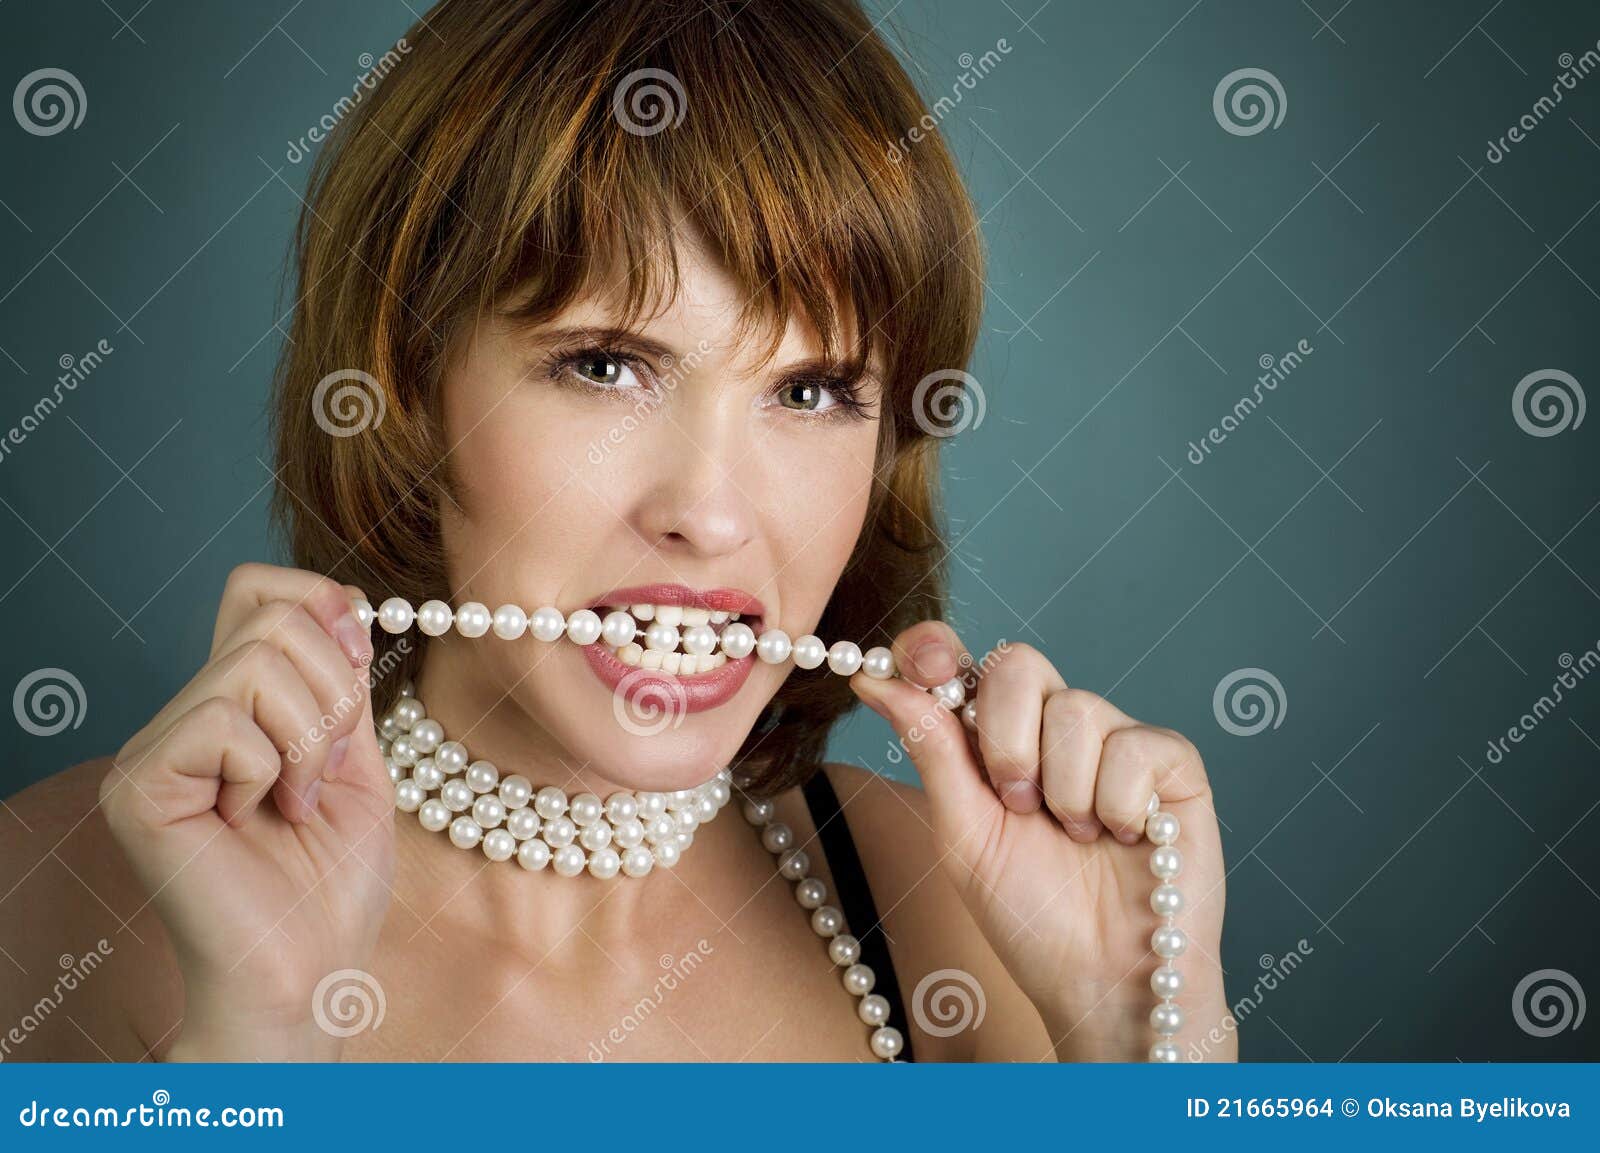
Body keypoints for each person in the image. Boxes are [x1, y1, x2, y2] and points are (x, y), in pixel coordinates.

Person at [0, 0, 1231, 1062]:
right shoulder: (47, 902)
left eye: (811, 391)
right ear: (407, 385)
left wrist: (1142, 1050)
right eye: (603, 365)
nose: (709, 514)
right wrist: (257, 1040)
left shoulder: (953, 914)